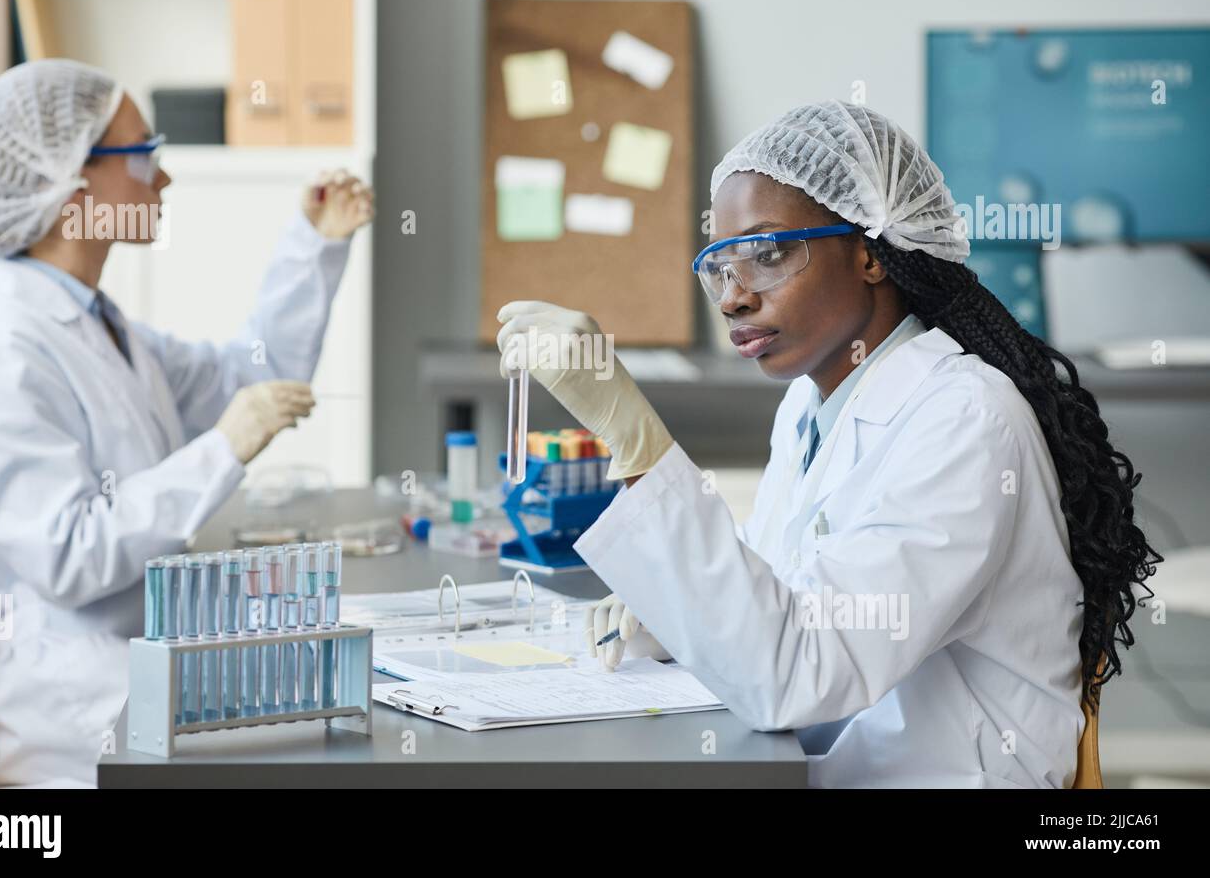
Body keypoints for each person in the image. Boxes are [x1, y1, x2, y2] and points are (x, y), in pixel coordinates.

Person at [496, 101, 1159, 788]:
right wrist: (674, 617)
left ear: (871, 253)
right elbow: (788, 597)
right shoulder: (809, 406)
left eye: (769, 253)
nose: (732, 297)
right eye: (721, 265)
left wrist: (632, 435)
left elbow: (794, 670)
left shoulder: (967, 423)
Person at [0, 59, 374, 786]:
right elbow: (69, 557)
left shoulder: (101, 326)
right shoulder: (4, 358)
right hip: (75, 733)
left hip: (144, 697)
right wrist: (222, 449)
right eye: (142, 154)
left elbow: (247, 378)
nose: (161, 177)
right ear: (71, 184)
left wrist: (314, 246)